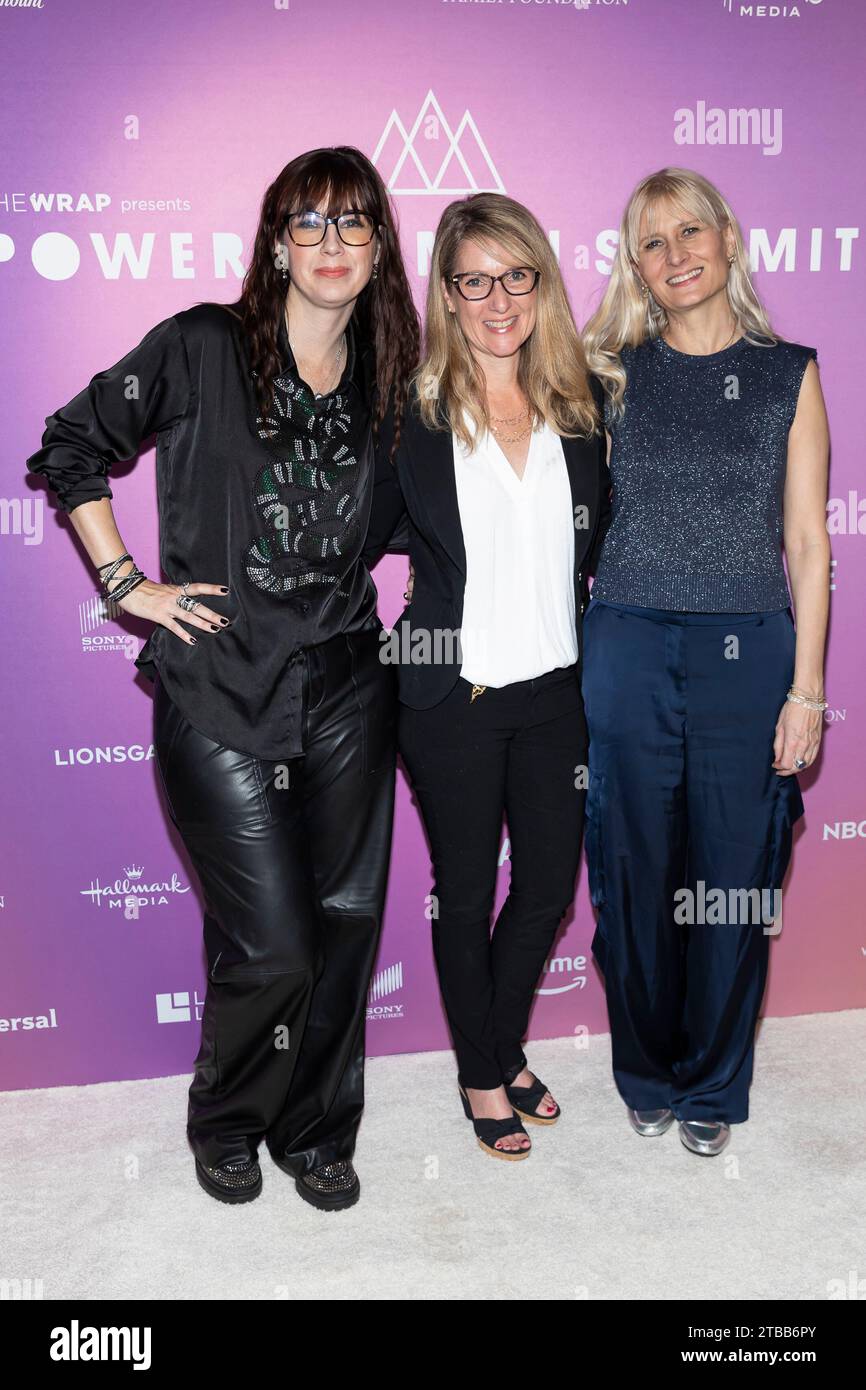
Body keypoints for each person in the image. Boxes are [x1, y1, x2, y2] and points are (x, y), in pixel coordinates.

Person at [26, 146, 420, 1208]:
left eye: (352, 222)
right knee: (274, 942)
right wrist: (124, 583)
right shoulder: (204, 344)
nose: (331, 243)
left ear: (378, 246)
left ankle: (317, 1129)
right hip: (219, 682)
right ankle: (231, 1119)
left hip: (348, 683)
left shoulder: (391, 380)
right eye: (308, 222)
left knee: (345, 923)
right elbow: (71, 445)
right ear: (277, 243)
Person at [581, 167, 830, 1156]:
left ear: (726, 237)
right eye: (652, 241)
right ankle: (645, 1070)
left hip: (749, 649)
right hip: (627, 639)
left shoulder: (789, 372)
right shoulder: (609, 374)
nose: (675, 254)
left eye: (690, 230)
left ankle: (714, 1086)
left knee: (734, 874)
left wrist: (806, 690)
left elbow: (806, 542)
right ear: (635, 267)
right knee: (632, 869)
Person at [364, 193, 610, 1160]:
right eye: (474, 281)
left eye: (516, 276)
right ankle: (483, 1074)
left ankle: (500, 1047)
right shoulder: (409, 415)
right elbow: (360, 535)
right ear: (447, 294)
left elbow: (605, 540)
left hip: (557, 696)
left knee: (546, 889)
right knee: (465, 894)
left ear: (541, 282)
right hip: (450, 699)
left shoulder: (583, 410)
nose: (498, 300)